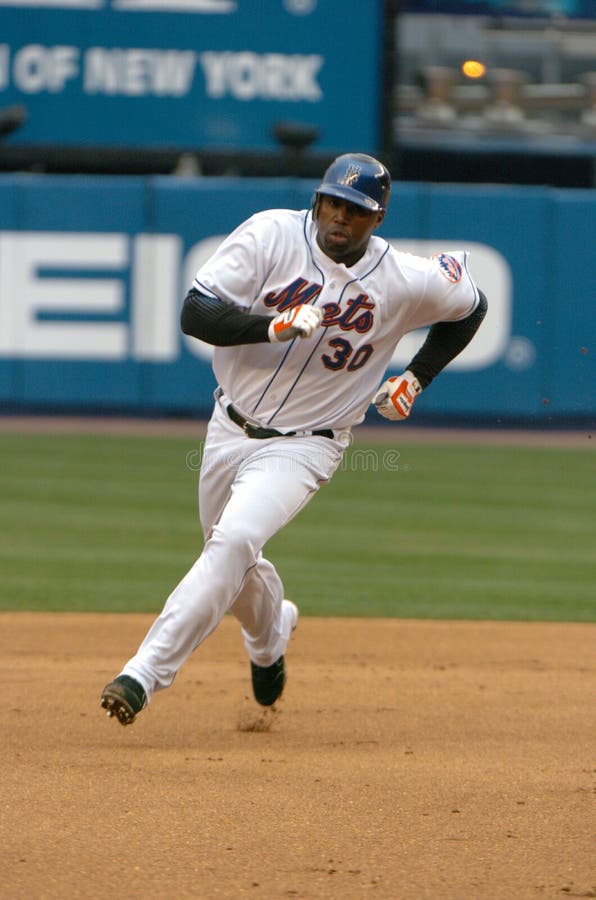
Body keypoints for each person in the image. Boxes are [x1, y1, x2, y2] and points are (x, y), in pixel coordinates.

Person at [101, 152, 487, 726]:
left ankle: (141, 674)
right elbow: (195, 312)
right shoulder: (269, 235)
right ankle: (270, 634)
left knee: (231, 545)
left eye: (356, 210)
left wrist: (416, 377)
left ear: (376, 218)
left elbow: (472, 304)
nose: (340, 216)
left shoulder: (404, 278)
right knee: (231, 565)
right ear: (317, 199)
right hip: (227, 427)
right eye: (333, 202)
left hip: (308, 444)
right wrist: (271, 326)